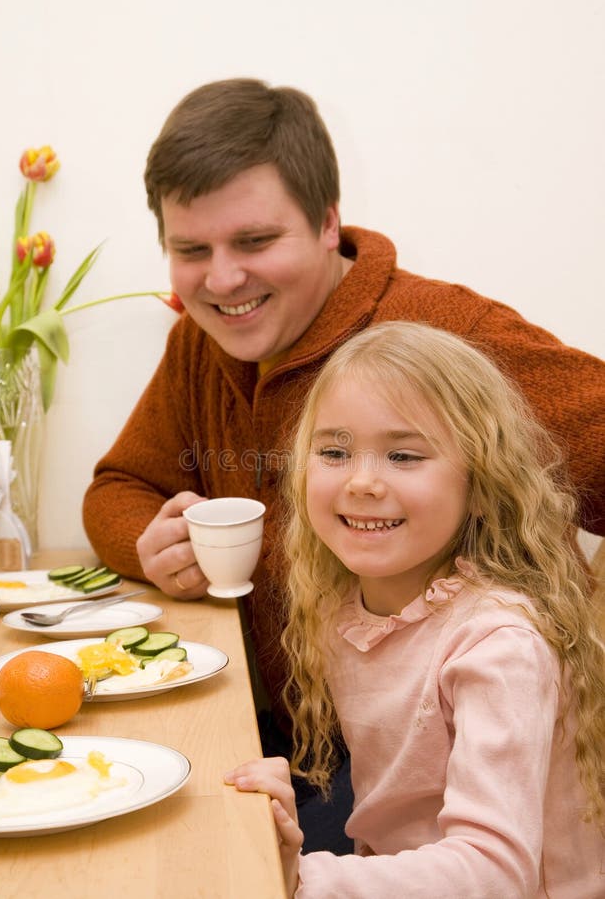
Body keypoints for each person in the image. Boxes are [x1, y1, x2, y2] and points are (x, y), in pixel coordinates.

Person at [82, 78, 605, 851]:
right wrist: (151, 546)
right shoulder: (200, 345)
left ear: (328, 224)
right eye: (191, 250)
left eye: (255, 242)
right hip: (299, 741)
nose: (221, 280)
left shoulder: (445, 337)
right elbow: (119, 485)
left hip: (442, 782)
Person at [224, 321, 605, 898]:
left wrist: (304, 877)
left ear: (481, 484)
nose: (362, 481)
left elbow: (496, 873)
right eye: (333, 451)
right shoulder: (344, 609)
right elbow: (395, 819)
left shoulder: (500, 648)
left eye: (403, 455)